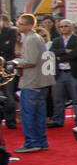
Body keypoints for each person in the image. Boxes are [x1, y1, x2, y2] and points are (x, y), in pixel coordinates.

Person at [13, 14, 53, 153]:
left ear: (30, 25)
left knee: (29, 114)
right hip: (39, 82)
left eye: (21, 24)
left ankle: (32, 142)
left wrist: (14, 63)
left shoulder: (31, 39)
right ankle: (40, 141)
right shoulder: (36, 38)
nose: (19, 26)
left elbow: (30, 61)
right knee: (38, 114)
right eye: (18, 23)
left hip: (32, 82)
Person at [49, 18, 77, 127]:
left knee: (76, 98)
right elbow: (51, 52)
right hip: (60, 73)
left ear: (71, 27)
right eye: (61, 26)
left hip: (72, 72)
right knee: (58, 99)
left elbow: (75, 54)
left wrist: (60, 56)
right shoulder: (56, 41)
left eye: (66, 26)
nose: (63, 28)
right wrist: (65, 51)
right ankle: (58, 120)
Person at [0, 15, 18, 130]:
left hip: (7, 69)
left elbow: (10, 47)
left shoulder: (11, 31)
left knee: (9, 96)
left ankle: (10, 121)